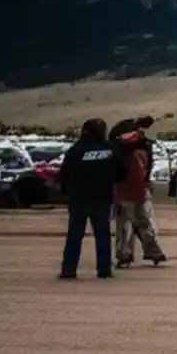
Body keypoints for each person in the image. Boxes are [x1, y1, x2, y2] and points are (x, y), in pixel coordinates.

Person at [57, 118, 127, 279]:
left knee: (75, 234)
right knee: (102, 234)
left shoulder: (77, 150)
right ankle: (104, 268)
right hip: (102, 198)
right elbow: (122, 171)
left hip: (79, 198)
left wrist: (66, 191)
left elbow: (64, 174)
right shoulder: (111, 150)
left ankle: (69, 268)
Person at [113, 122, 168, 267]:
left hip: (122, 191)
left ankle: (124, 254)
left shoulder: (119, 151)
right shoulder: (143, 152)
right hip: (139, 192)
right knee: (143, 222)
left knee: (124, 225)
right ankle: (153, 251)